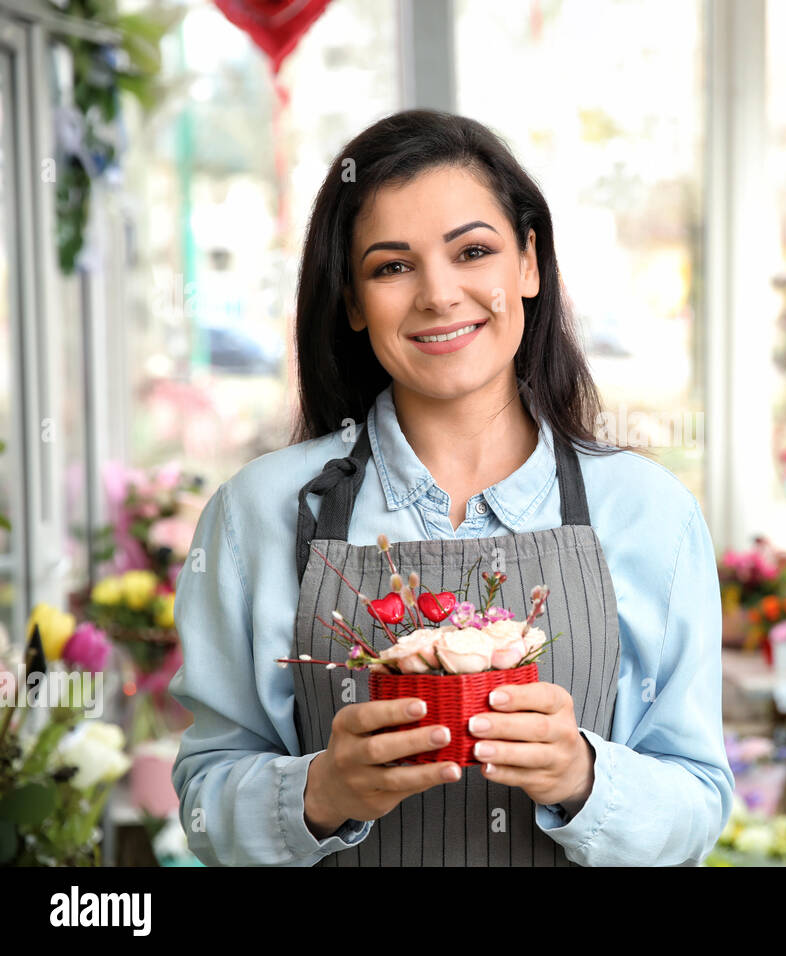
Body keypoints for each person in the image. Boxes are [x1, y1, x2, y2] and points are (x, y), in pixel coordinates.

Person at [169, 109, 733, 867]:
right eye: (391, 266)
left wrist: (583, 779)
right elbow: (205, 807)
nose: (439, 294)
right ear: (352, 302)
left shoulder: (648, 511)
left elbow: (699, 802)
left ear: (529, 265)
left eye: (473, 251)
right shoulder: (259, 513)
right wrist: (324, 792)